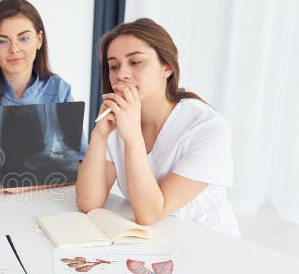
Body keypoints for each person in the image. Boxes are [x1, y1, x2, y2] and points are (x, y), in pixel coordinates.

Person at [76, 18, 240, 236]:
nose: (121, 74)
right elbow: (89, 203)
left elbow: (150, 213)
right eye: (113, 66)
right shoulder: (119, 120)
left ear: (167, 68)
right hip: (151, 242)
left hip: (207, 242)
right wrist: (99, 135)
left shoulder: (207, 128)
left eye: (135, 62)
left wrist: (133, 138)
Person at [0, 0, 86, 189]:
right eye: (2, 42)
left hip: (44, 199)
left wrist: (27, 186)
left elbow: (81, 162)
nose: (14, 49)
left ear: (39, 40)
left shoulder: (58, 89)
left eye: (24, 38)